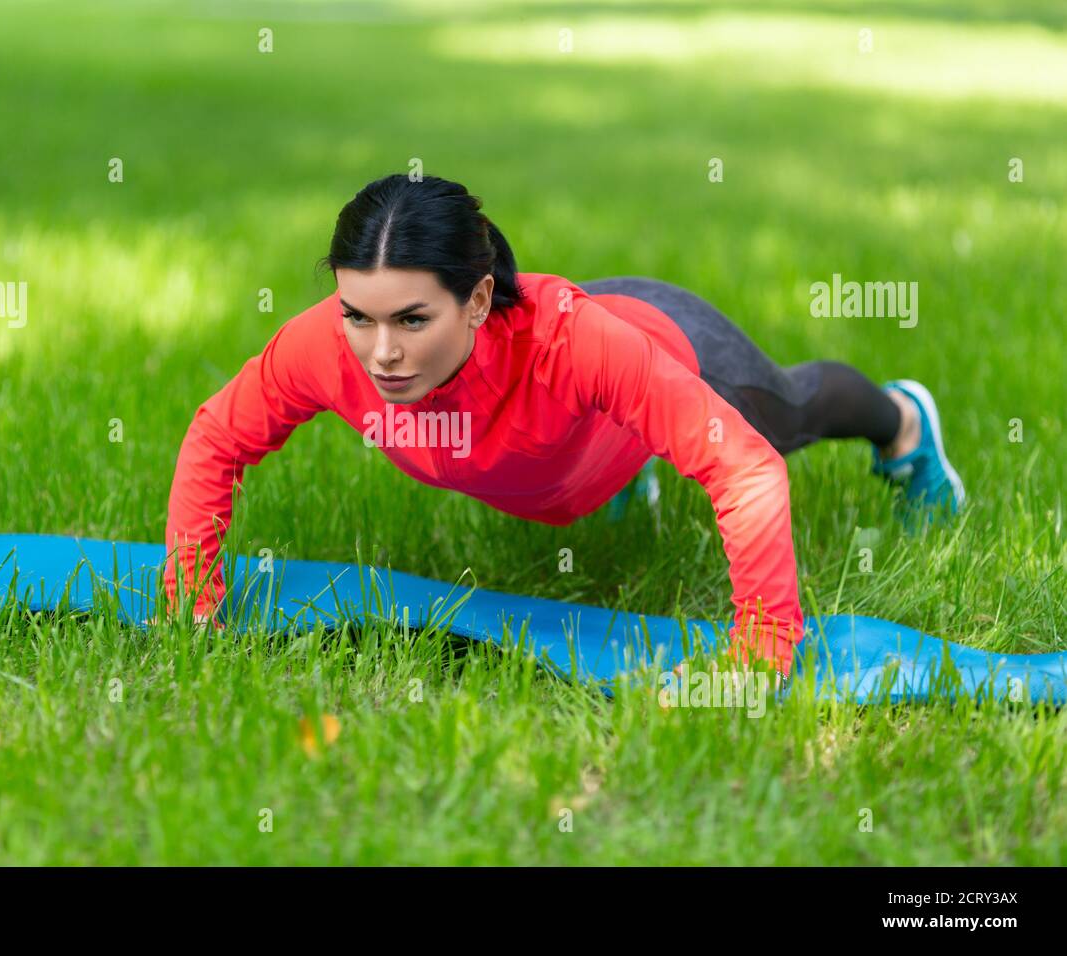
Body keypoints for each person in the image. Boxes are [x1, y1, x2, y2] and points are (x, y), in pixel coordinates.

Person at [161, 174, 965, 677]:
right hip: (592, 406)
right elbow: (215, 438)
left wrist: (761, 646)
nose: (381, 354)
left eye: (411, 319)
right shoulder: (321, 348)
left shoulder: (572, 347)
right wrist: (192, 597)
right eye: (357, 318)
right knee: (607, 425)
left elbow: (747, 470)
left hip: (660, 343)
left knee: (787, 412)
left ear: (476, 300)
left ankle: (902, 422)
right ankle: (631, 465)